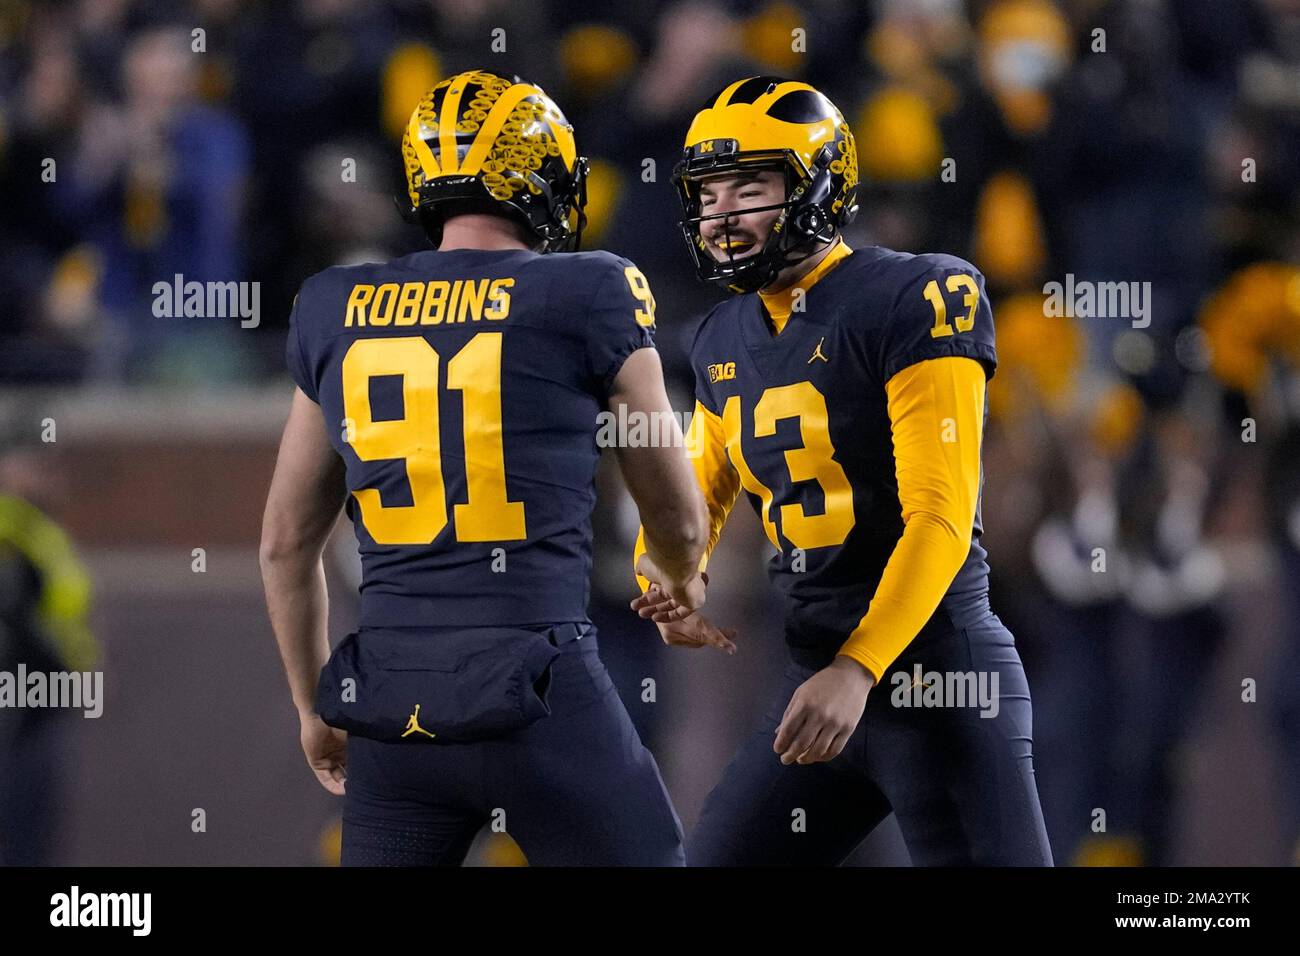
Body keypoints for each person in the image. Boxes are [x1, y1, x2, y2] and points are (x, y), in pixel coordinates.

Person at [261, 70, 707, 866]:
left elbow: (285, 543)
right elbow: (674, 509)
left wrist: (310, 704)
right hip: (540, 692)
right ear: (538, 176)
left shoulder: (335, 304)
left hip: (391, 704)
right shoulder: (591, 289)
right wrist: (679, 575)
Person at [632, 76, 1053, 865]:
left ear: (818, 184)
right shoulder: (722, 334)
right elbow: (692, 502)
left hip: (934, 680)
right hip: (814, 682)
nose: (722, 213)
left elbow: (943, 518)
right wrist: (667, 573)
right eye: (709, 193)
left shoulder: (917, 294)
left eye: (748, 187)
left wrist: (858, 670)